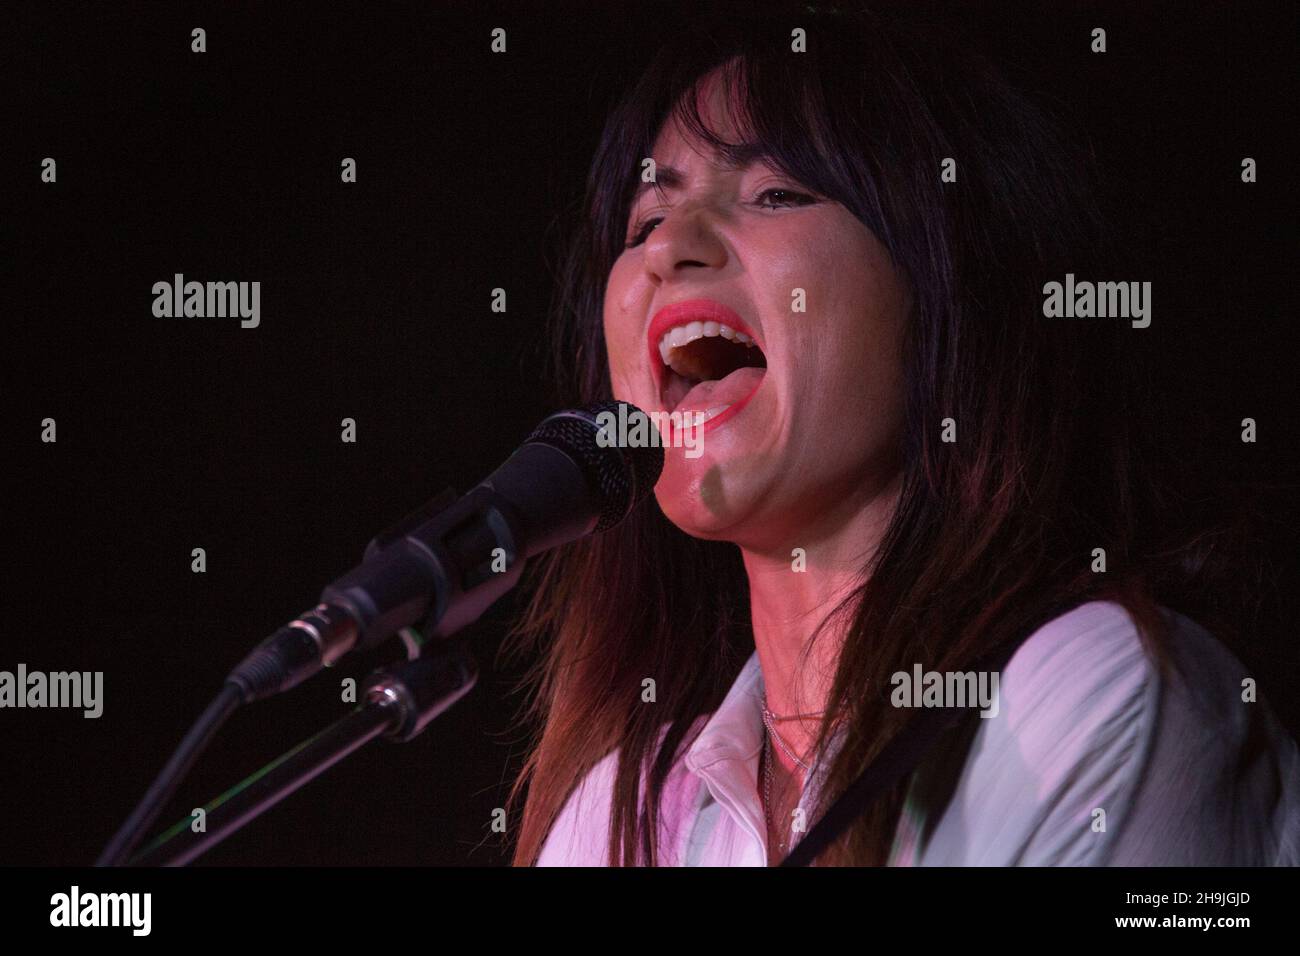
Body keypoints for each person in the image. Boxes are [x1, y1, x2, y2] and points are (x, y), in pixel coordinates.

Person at [501, 4, 1300, 866]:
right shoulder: (626, 811)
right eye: (645, 222)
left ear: (949, 288)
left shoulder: (1087, 698)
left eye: (777, 193)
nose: (669, 250)